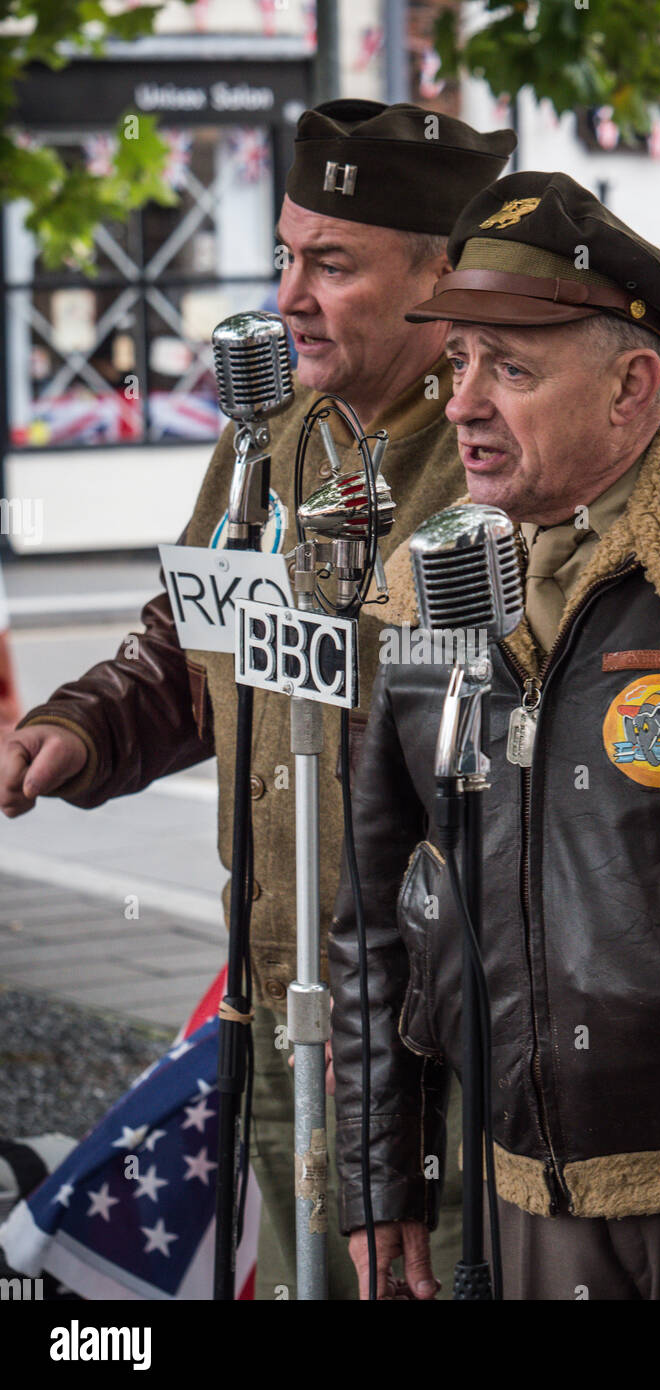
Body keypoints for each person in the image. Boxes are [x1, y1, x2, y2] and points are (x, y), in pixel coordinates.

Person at [0, 99, 516, 1300]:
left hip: (436, 1022)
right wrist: (75, 730)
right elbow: (196, 634)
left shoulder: (495, 444)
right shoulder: (268, 427)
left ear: (440, 277)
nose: (287, 295)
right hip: (276, 978)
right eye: (285, 256)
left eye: (330, 264)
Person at [329, 170, 660, 1301]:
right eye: (459, 359)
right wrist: (381, 1187)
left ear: (631, 385)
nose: (462, 400)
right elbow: (374, 916)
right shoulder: (431, 588)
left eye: (507, 368)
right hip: (528, 1198)